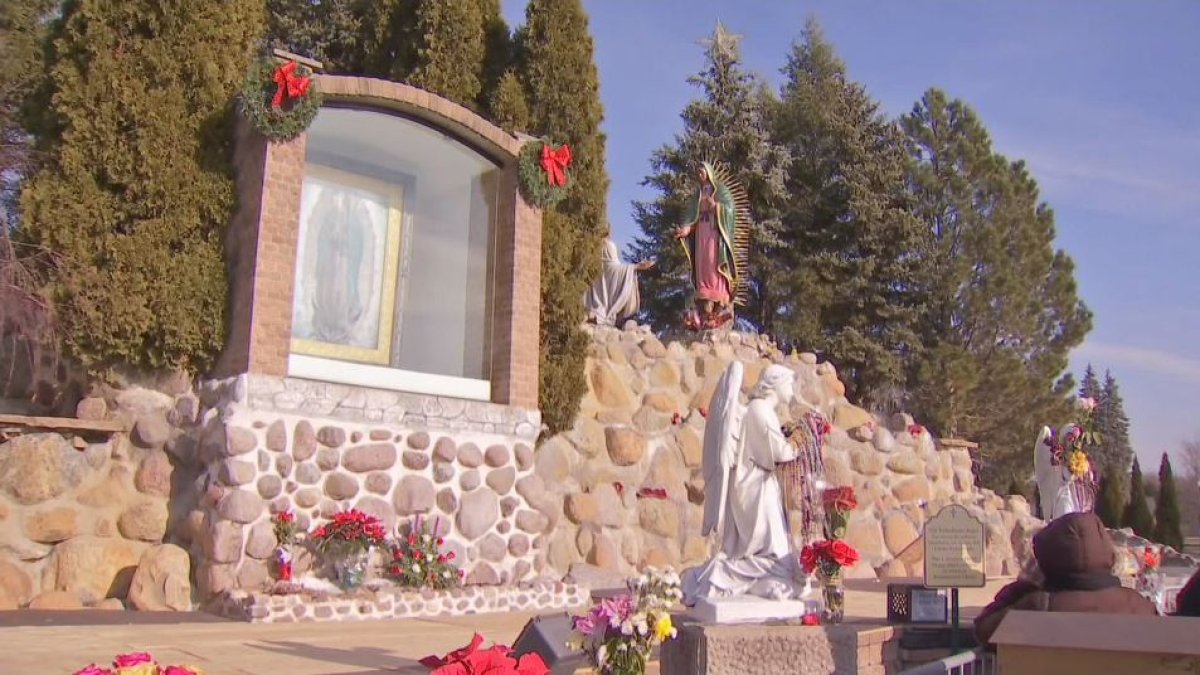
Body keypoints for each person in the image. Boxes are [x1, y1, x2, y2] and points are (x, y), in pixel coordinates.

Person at [682, 363, 810, 604]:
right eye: (789, 384)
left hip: (760, 485)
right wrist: (798, 441)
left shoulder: (760, 410)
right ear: (777, 384)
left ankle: (767, 581)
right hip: (755, 490)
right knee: (771, 550)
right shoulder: (760, 410)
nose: (792, 391)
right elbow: (778, 453)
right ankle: (728, 577)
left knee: (774, 549)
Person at [973, 512, 1157, 646]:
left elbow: (985, 631)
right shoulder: (1138, 605)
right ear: (1107, 551)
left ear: (1048, 557)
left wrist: (1022, 587)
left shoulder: (1037, 606)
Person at [674, 162, 744, 331]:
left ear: (709, 172)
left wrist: (715, 207)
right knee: (703, 264)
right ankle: (703, 309)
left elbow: (730, 210)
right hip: (701, 236)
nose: (699, 174)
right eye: (697, 171)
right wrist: (685, 230)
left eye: (702, 170)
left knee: (714, 262)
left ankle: (718, 302)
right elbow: (692, 219)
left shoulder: (721, 190)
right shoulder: (697, 196)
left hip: (715, 235)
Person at [583, 232, 654, 327]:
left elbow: (610, 267)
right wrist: (636, 267)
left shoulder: (590, 247)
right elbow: (612, 267)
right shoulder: (608, 245)